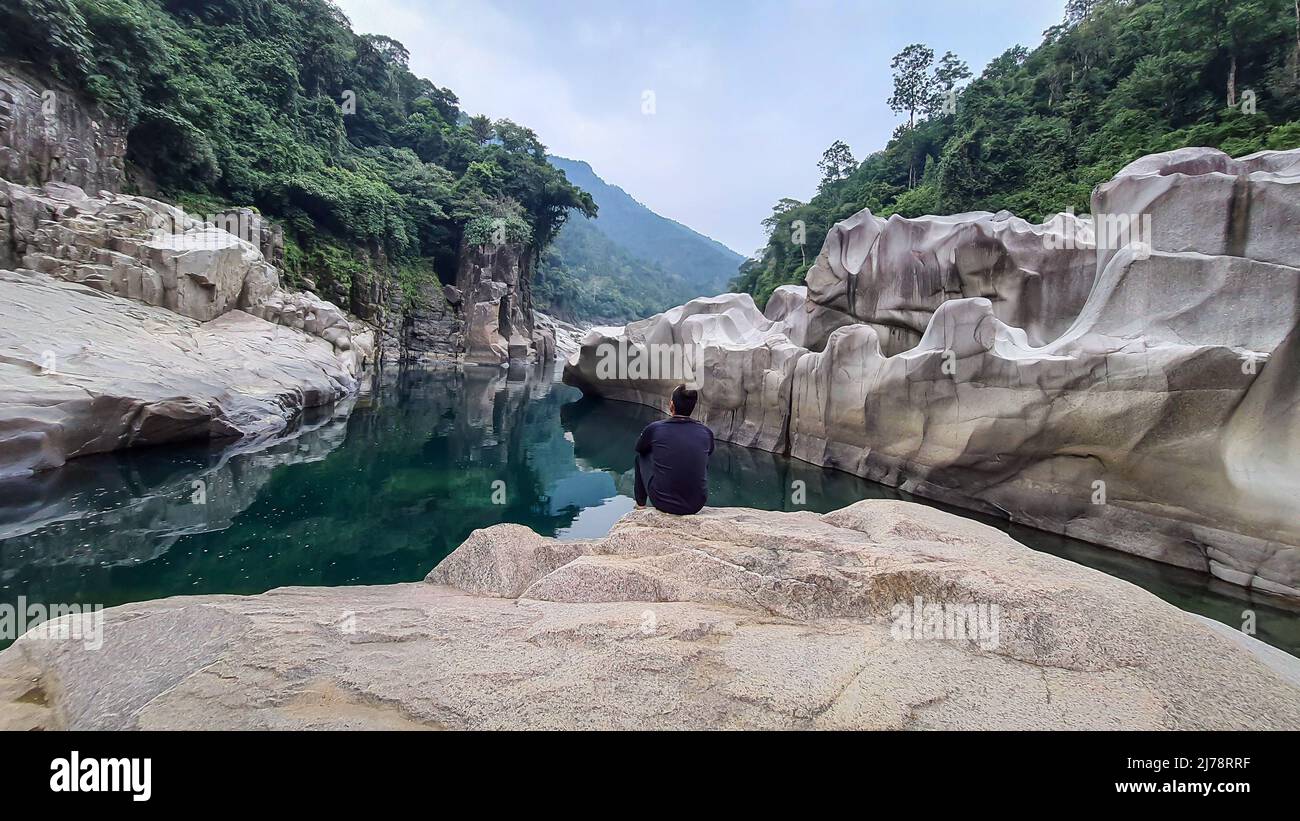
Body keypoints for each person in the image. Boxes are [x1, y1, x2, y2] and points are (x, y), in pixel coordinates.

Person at [633, 384, 714, 515]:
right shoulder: (706, 432)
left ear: (671, 405)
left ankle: (640, 505)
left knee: (641, 457)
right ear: (693, 407)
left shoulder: (655, 428)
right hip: (697, 504)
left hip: (663, 502)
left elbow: (639, 448)